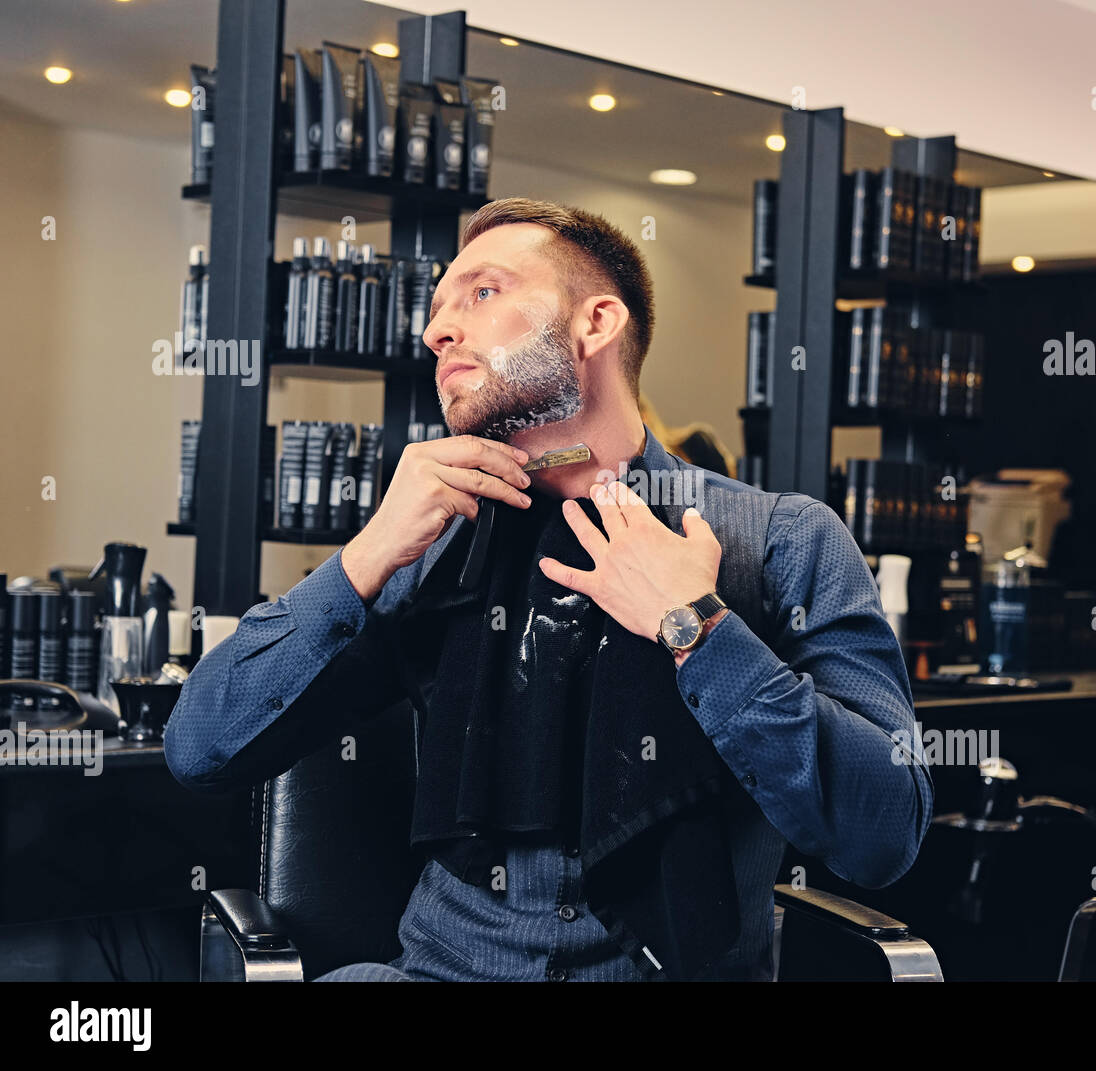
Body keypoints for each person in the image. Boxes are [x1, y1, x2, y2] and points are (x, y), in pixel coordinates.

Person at [164, 197, 933, 982]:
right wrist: (363, 557)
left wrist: (698, 629)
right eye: (435, 311)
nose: (437, 331)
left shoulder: (782, 540)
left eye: (483, 293)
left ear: (596, 323)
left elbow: (887, 832)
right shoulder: (431, 550)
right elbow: (200, 748)